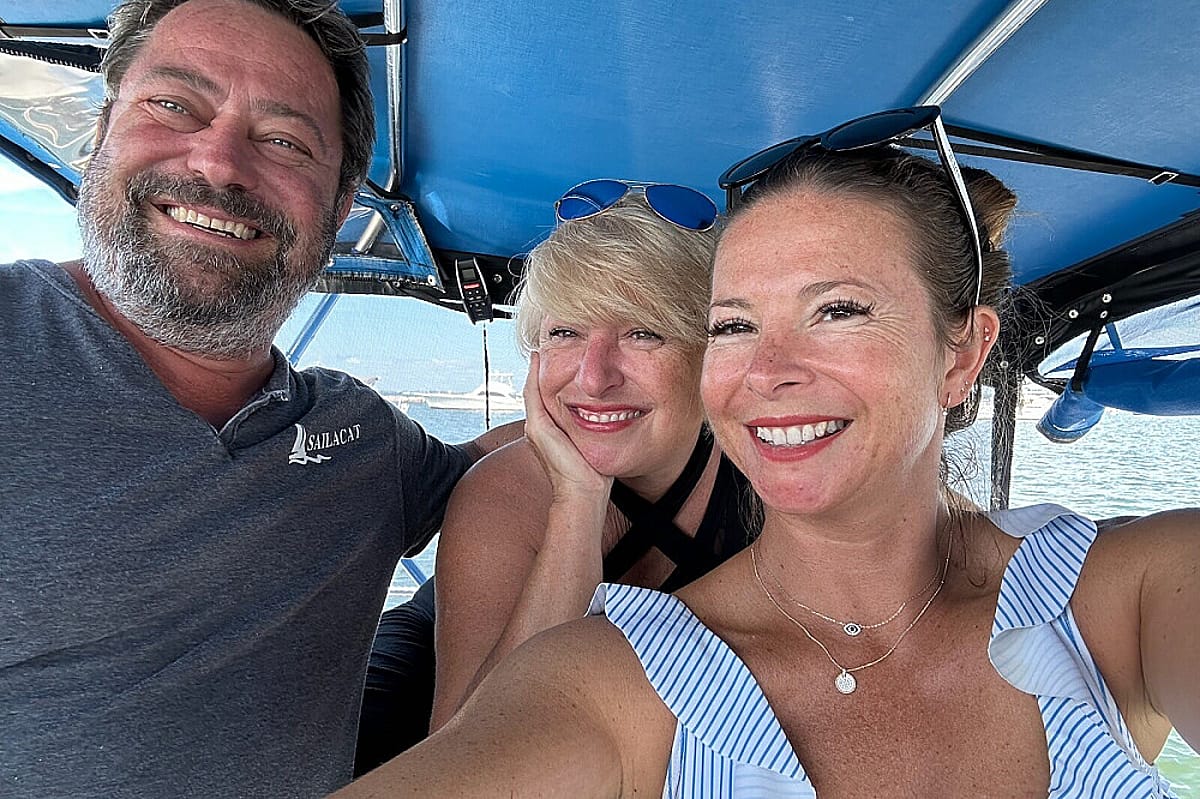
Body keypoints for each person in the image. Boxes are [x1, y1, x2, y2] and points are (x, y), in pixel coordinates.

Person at [334, 108, 1198, 797]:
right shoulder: (603, 662)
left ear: (964, 353)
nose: (770, 371)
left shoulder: (1125, 592)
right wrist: (576, 499)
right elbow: (489, 735)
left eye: (838, 309)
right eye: (739, 325)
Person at [0, 1, 516, 796]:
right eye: (175, 105)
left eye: (284, 140)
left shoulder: (357, 438)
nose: (218, 163)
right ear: (100, 134)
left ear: (340, 208)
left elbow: (488, 467)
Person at [353, 181, 758, 774]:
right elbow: (477, 759)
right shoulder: (505, 491)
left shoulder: (765, 476)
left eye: (643, 332)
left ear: (713, 351)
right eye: (565, 332)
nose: (593, 378)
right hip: (438, 649)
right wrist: (578, 500)